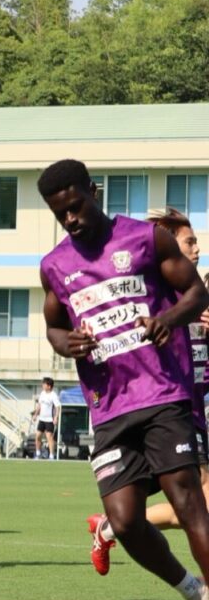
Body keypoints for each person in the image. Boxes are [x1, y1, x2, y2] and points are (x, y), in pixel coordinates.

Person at [37, 160, 209, 600]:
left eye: (75, 206)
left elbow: (197, 290)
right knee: (126, 520)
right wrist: (63, 342)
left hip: (162, 394)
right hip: (109, 406)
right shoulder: (54, 265)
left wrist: (170, 317)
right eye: (59, 213)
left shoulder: (147, 239)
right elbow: (52, 322)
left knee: (187, 500)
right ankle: (193, 591)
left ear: (94, 192)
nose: (70, 219)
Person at [87, 205, 209, 574]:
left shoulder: (194, 296)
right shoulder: (156, 296)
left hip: (192, 414)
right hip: (168, 414)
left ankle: (109, 529)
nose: (197, 248)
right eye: (190, 242)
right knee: (196, 507)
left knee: (188, 507)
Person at [33, 378, 61, 461]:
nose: (43, 385)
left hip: (49, 420)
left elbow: (57, 407)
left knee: (49, 437)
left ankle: (51, 455)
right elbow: (39, 405)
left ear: (49, 386)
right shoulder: (42, 393)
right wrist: (35, 414)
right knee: (38, 436)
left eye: (44, 384)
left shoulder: (53, 395)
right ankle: (38, 454)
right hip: (41, 419)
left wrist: (56, 417)